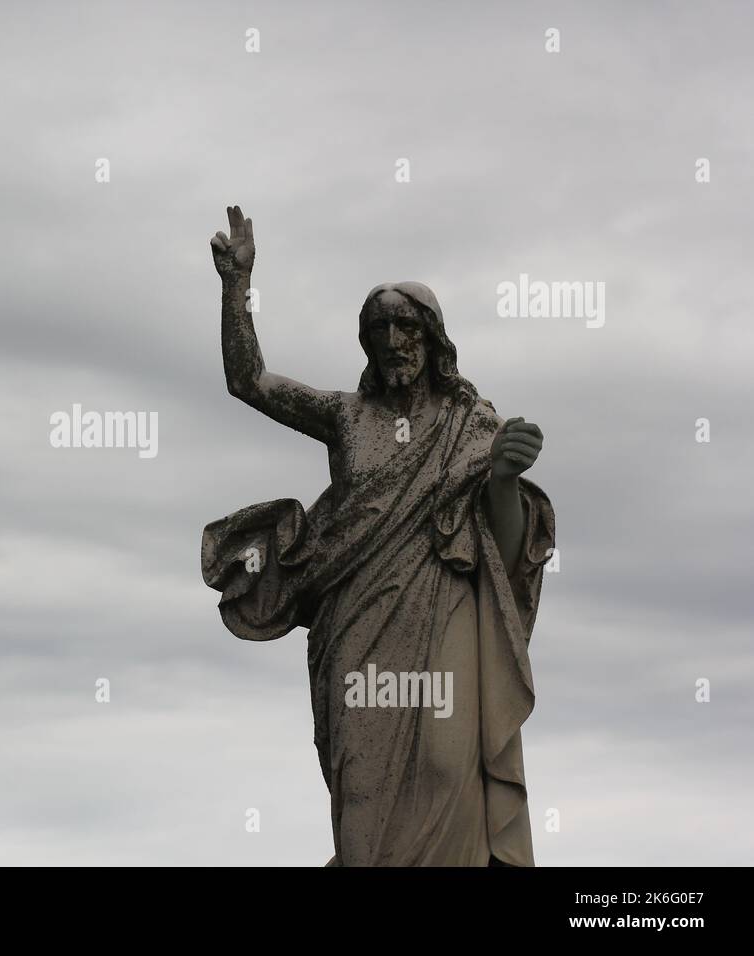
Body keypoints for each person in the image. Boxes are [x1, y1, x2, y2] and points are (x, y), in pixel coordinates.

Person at [202, 206, 556, 866]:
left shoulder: (471, 425)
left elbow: (507, 560)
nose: (392, 338)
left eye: (405, 325)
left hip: (443, 607)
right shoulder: (345, 416)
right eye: (377, 328)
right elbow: (248, 381)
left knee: (450, 766)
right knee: (360, 787)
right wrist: (235, 289)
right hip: (356, 619)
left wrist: (504, 478)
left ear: (430, 336)